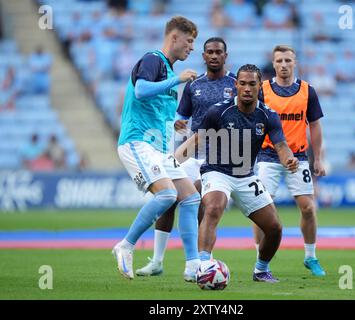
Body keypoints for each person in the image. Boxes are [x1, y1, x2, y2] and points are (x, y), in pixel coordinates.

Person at [175, 64, 299, 283]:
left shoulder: (268, 115)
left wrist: (288, 158)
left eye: (252, 84)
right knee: (213, 207)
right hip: (217, 171)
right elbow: (196, 140)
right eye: (243, 83)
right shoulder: (218, 111)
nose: (247, 88)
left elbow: (281, 146)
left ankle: (261, 270)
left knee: (274, 228)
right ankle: (204, 266)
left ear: (259, 86)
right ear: (236, 85)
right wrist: (172, 162)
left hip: (246, 176)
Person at [136, 37, 237, 277]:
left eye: (218, 52)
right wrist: (179, 125)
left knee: (202, 199)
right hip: (192, 153)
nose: (213, 56)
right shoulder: (193, 85)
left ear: (225, 55)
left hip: (223, 157)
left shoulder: (236, 84)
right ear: (203, 56)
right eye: (209, 52)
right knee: (169, 198)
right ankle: (158, 261)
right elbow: (180, 119)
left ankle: (202, 261)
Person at [113, 16, 201, 281]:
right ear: (174, 38)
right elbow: (140, 90)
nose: (192, 47)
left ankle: (193, 265)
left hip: (157, 149)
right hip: (136, 142)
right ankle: (125, 246)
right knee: (166, 196)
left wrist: (175, 126)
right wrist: (177, 81)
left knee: (190, 197)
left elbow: (153, 108)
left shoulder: (169, 71)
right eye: (189, 41)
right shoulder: (153, 59)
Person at [254, 45, 327, 276]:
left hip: (298, 157)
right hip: (268, 156)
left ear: (294, 63)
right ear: (273, 64)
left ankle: (310, 256)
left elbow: (314, 125)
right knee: (260, 209)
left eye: (288, 60)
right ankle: (260, 258)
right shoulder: (262, 90)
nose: (284, 65)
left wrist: (319, 159)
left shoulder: (308, 91)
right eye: (279, 61)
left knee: (308, 208)